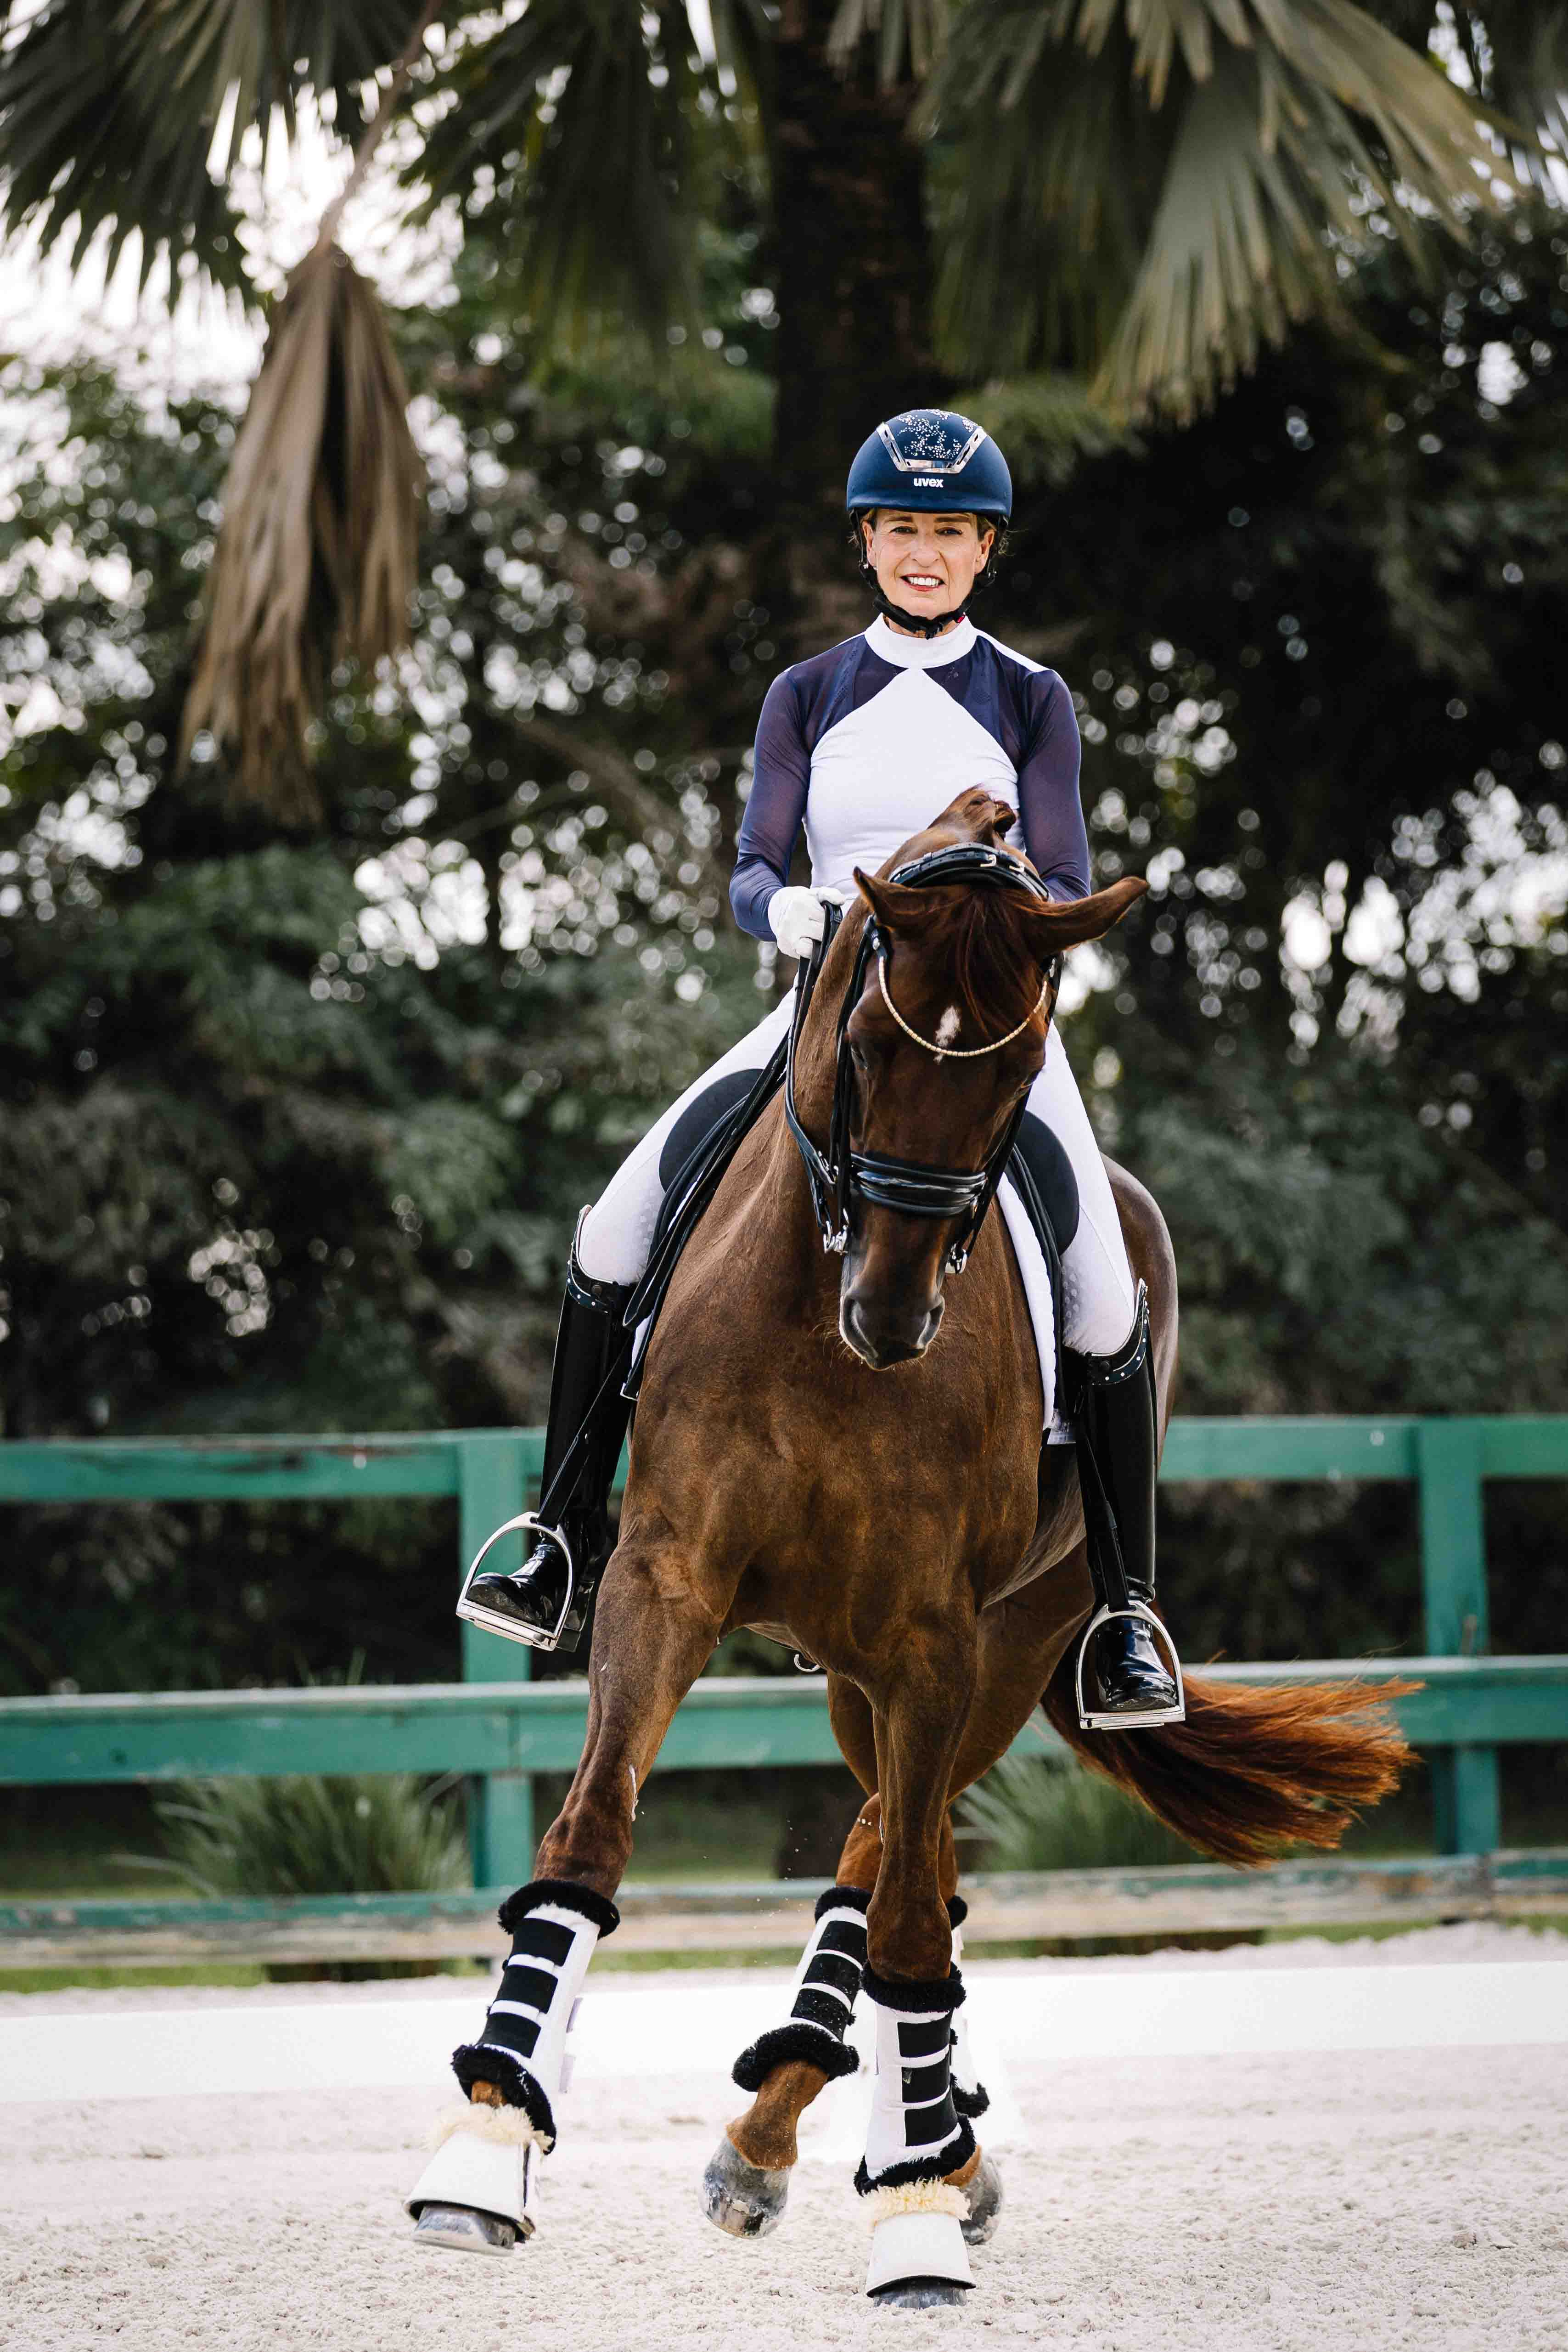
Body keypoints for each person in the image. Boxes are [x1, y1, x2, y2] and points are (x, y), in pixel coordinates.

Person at [464, 408, 1181, 1726]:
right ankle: (560, 1536)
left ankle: (1127, 1611)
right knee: (619, 1223)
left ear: (984, 550)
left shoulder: (1030, 698)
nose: (925, 551)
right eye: (902, 528)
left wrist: (964, 887)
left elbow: (1068, 876)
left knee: (1101, 1291)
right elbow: (755, 855)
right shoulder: (810, 690)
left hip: (990, 1033)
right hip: (822, 1015)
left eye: (949, 532)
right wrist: (778, 909)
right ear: (868, 542)